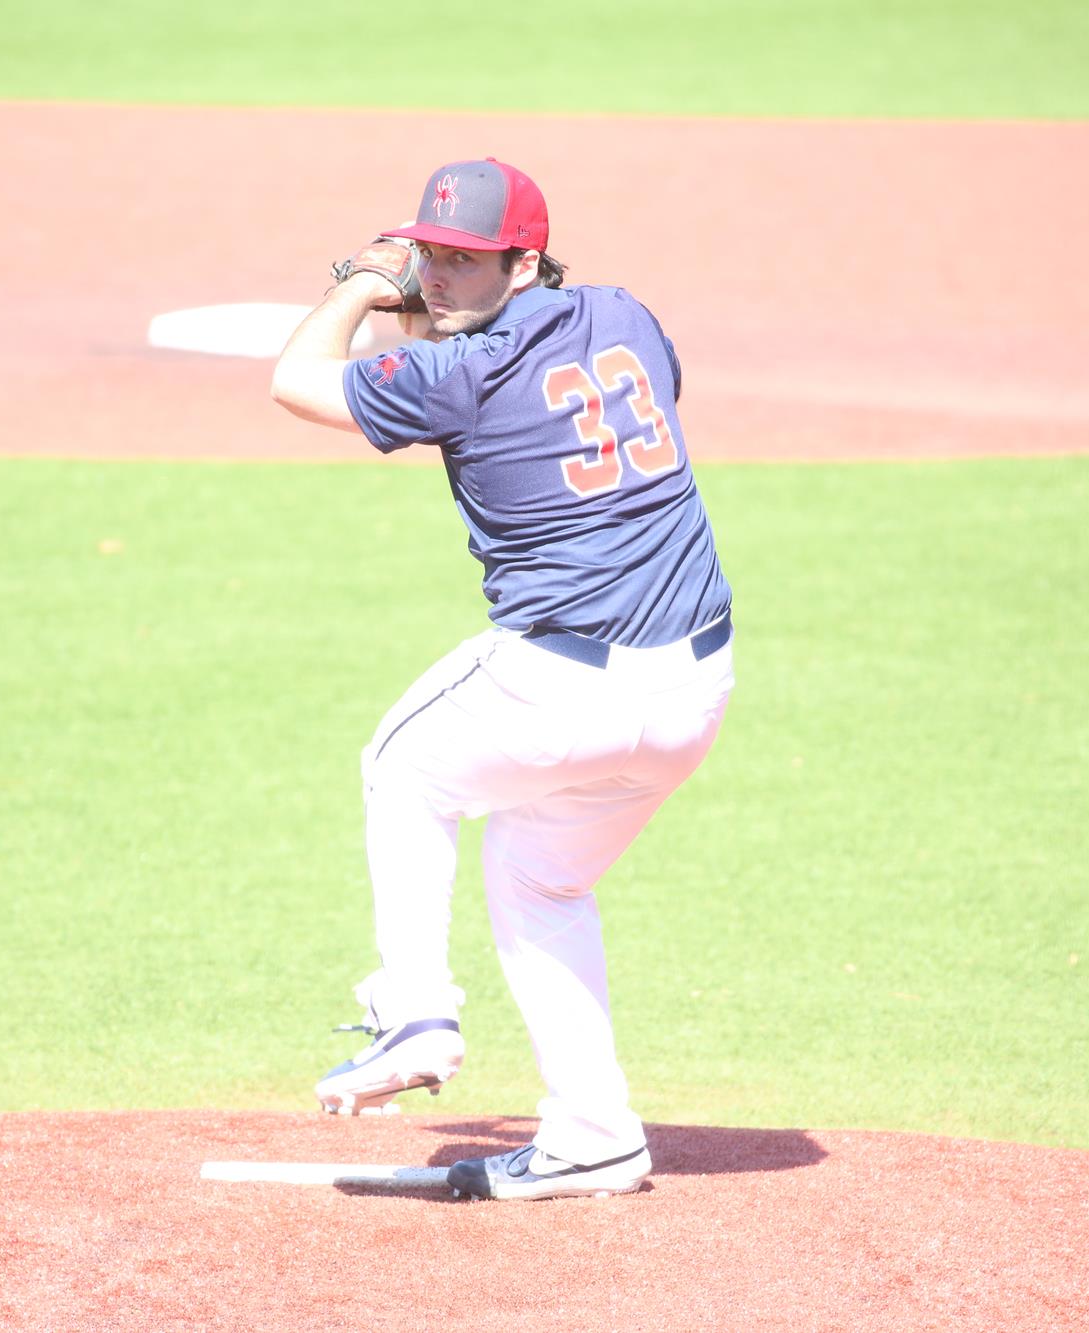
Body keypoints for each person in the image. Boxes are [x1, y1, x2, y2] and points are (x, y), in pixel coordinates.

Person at [269, 158, 734, 1201]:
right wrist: (437, 306)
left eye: (459, 258)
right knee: (540, 875)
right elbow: (509, 364)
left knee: (400, 766)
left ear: (520, 259)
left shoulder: (452, 376)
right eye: (427, 252)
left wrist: (358, 283)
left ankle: (414, 1010)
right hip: (694, 687)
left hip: (561, 683)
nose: (433, 272)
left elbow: (295, 383)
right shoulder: (622, 314)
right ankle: (590, 1135)